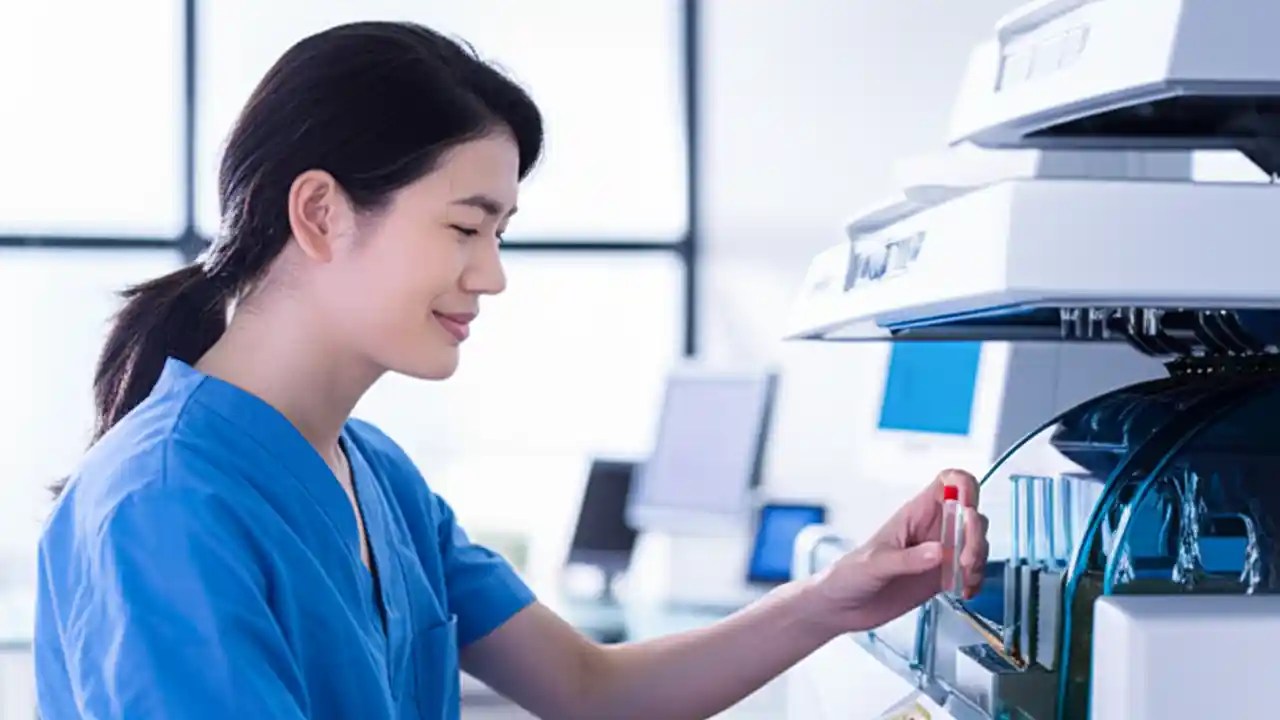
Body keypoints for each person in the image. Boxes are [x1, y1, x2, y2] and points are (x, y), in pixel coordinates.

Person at [33, 20, 990, 720]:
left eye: (500, 234)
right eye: (465, 227)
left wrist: (832, 601)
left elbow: (588, 689)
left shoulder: (377, 475)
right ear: (321, 214)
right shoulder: (166, 505)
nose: (491, 275)